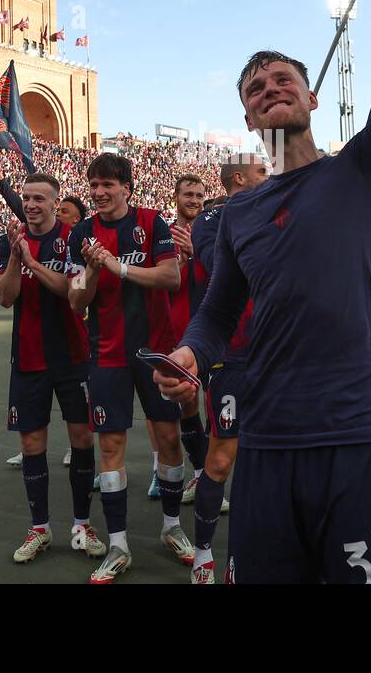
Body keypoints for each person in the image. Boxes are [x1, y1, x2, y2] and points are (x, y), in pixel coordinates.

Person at [159, 0, 371, 584]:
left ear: (311, 99)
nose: (269, 88)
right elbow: (220, 314)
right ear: (249, 119)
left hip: (362, 439)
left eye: (283, 79)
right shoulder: (239, 216)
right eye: (254, 88)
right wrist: (189, 354)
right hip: (267, 445)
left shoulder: (365, 168)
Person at [67, 152, 188, 583]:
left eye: (107, 185)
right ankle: (118, 545)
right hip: (107, 355)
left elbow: (170, 277)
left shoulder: (152, 221)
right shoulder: (81, 232)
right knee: (110, 447)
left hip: (157, 351)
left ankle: (172, 526)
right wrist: (96, 271)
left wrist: (117, 265)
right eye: (94, 185)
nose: (99, 193)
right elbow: (77, 300)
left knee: (170, 438)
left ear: (126, 187)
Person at [0, 168, 105, 562]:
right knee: (31, 443)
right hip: (28, 357)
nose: (30, 204)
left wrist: (34, 264)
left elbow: (75, 294)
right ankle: (39, 528)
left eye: (39, 198)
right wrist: (14, 257)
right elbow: (5, 298)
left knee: (80, 440)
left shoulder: (73, 239)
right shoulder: (12, 239)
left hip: (73, 356)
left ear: (56, 203)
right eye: (26, 197)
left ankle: (81, 524)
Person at [188, 155, 268, 583]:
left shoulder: (274, 210)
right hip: (232, 357)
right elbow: (225, 266)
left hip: (277, 356)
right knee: (221, 459)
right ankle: (204, 552)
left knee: (272, 459)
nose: (268, 178)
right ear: (239, 178)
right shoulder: (211, 220)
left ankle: (248, 554)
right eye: (261, 173)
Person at [168, 174, 210, 504]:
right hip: (180, 334)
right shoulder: (163, 236)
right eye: (188, 194)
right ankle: (199, 474)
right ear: (176, 197)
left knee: (219, 404)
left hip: (214, 332)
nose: (194, 200)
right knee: (188, 404)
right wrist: (181, 259)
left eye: (199, 194)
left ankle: (214, 475)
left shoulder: (213, 231)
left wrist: (197, 254)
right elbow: (166, 285)